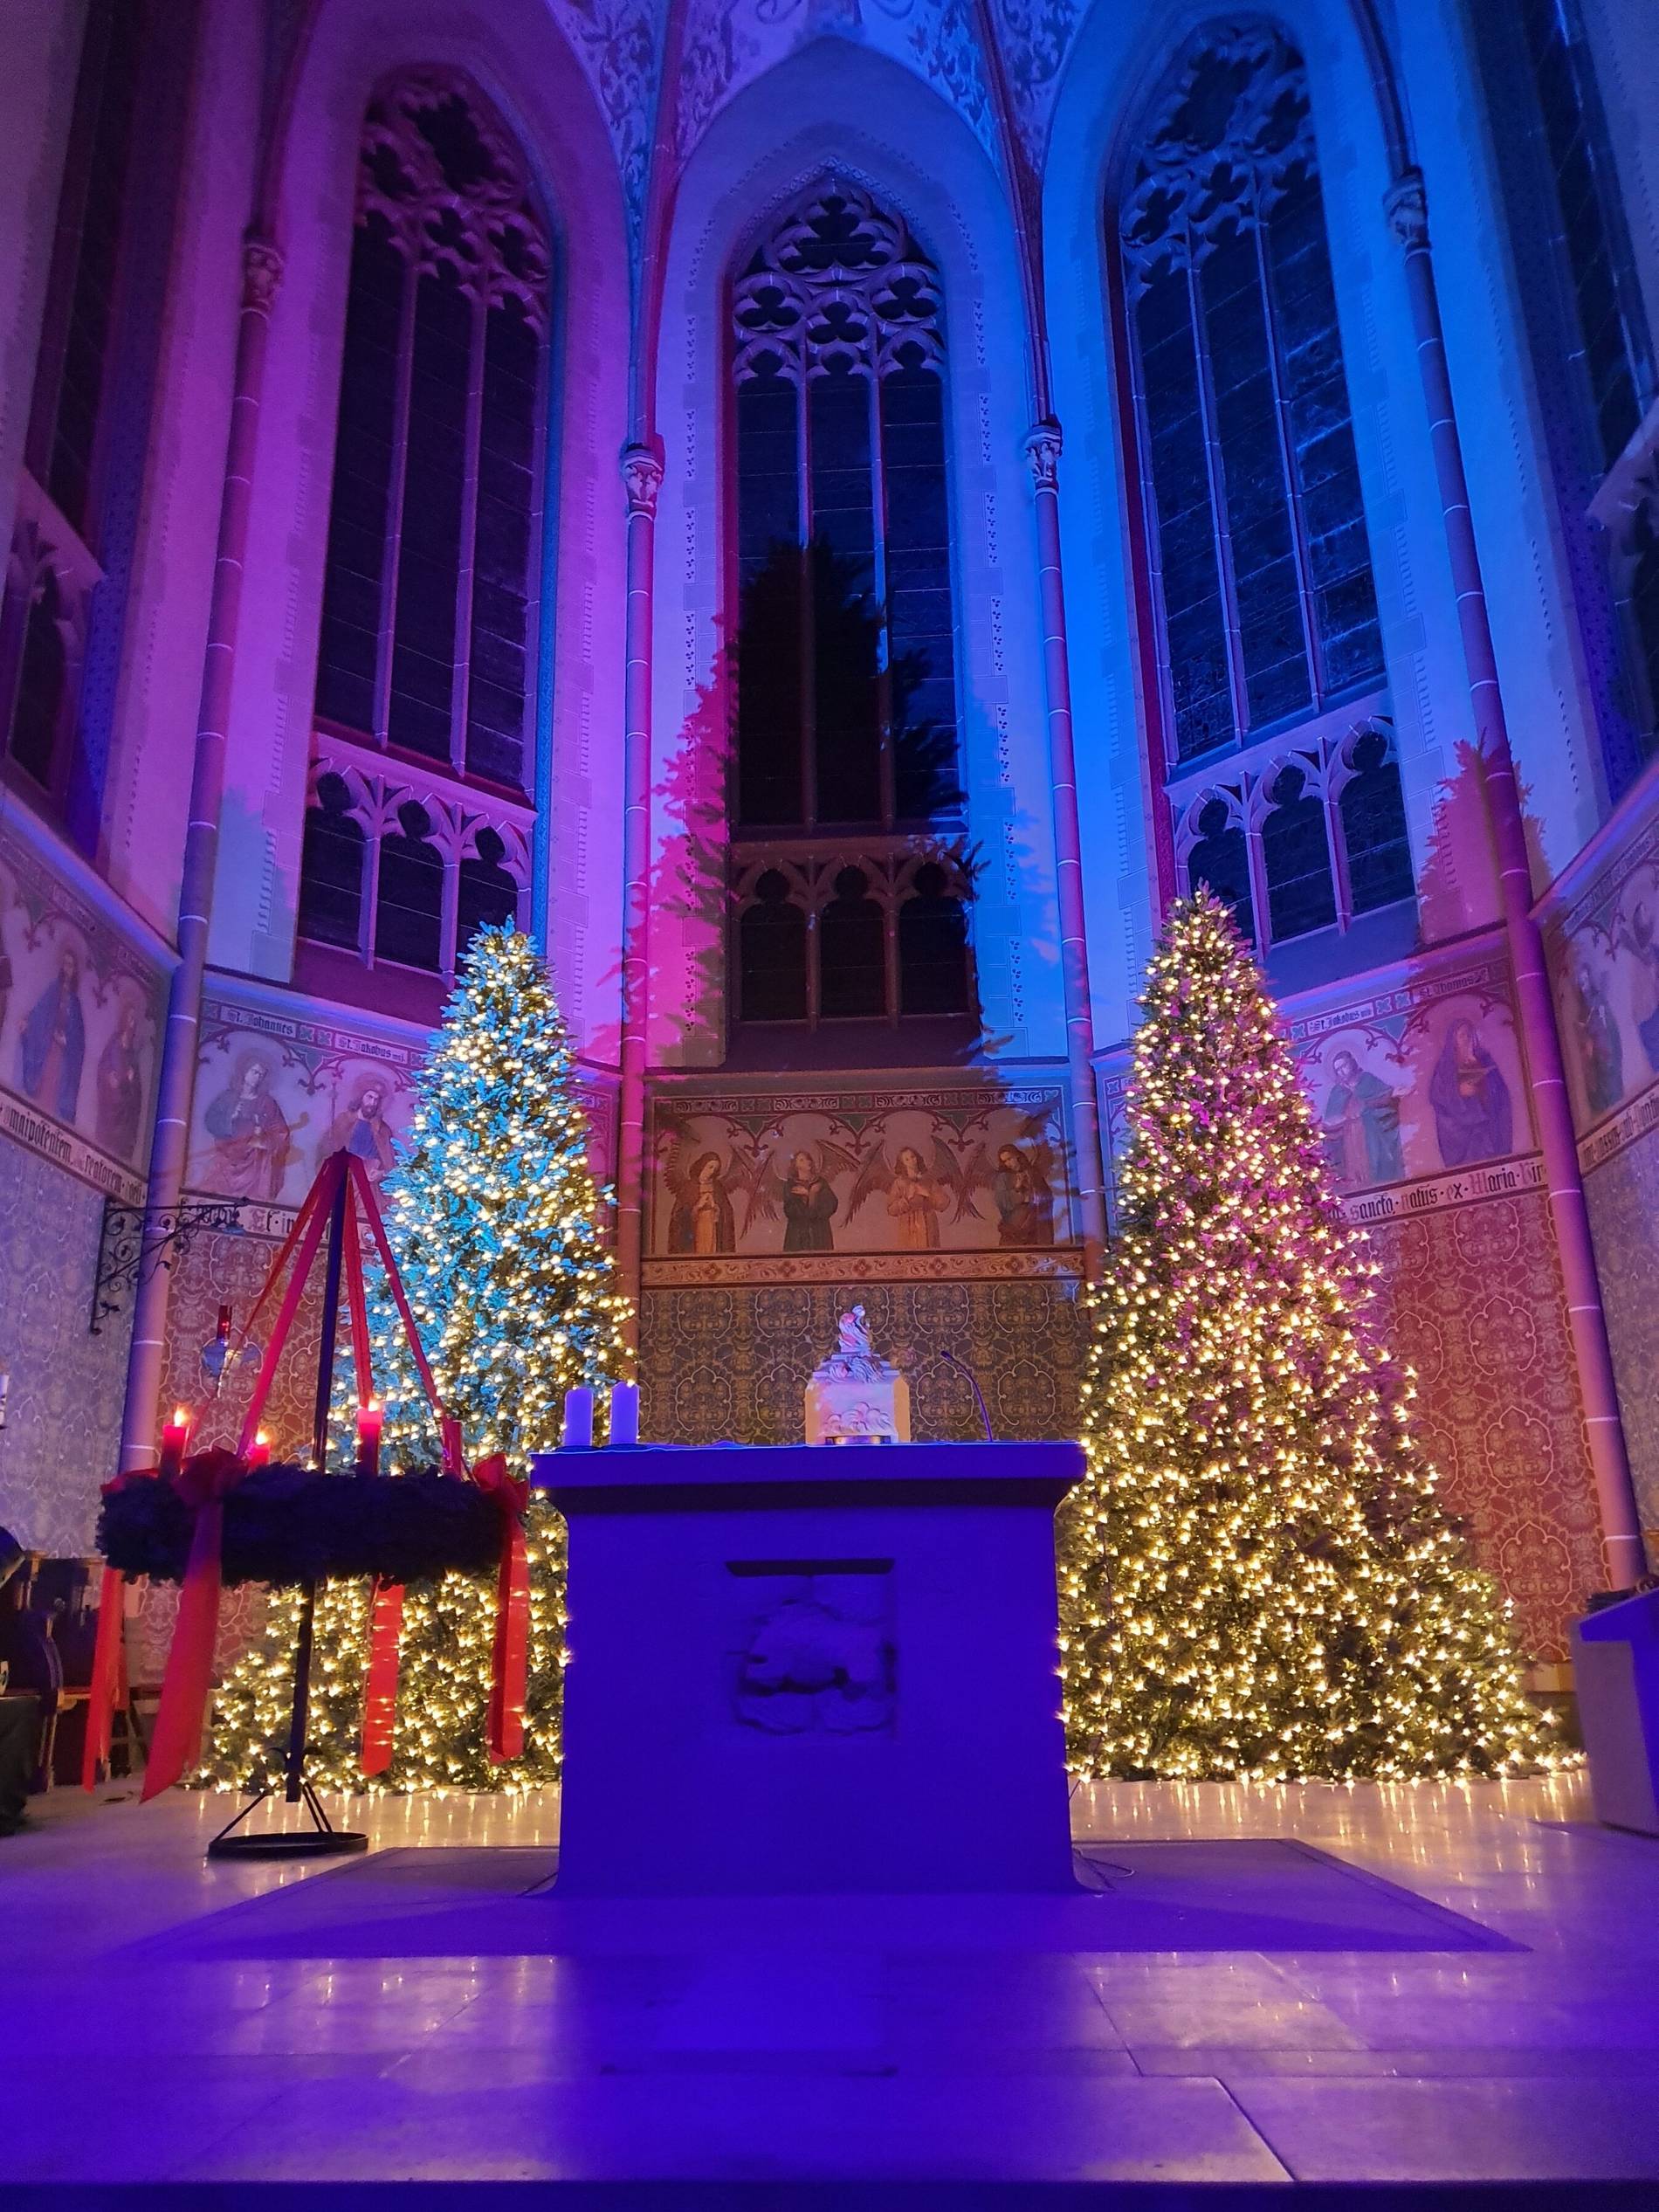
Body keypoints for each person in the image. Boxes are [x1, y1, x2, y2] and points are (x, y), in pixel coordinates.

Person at [203, 1053, 293, 1201]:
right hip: (227, 1155)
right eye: (254, 1072)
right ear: (245, 1071)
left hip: (255, 1161)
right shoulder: (227, 1097)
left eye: (260, 1074)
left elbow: (281, 1132)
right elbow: (210, 1120)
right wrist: (230, 1117)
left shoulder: (267, 1103)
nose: (257, 1077)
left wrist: (264, 1141)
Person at [1428, 1016, 1513, 1168]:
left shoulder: (1484, 1059)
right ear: (1453, 1040)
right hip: (1460, 1134)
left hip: (1485, 1126)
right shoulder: (1445, 1065)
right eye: (1462, 1035)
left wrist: (1484, 1086)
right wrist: (1458, 1093)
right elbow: (1436, 1095)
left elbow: (1500, 1092)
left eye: (1469, 1034)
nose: (1466, 1039)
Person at [18, 944, 86, 1124]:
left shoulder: (76, 1004)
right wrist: (28, 1023)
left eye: (70, 965)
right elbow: (40, 1013)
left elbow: (79, 1043)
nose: (67, 968)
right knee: (42, 1088)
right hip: (46, 1050)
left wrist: (67, 1041)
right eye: (65, 964)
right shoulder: (53, 990)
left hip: (61, 1058)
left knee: (54, 1093)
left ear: (75, 970)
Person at [1320, 1050, 1404, 1190]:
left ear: (1352, 1063)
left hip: (1372, 1135)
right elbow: (1331, 1119)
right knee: (1354, 1167)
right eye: (1338, 1070)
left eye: (1344, 1066)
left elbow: (1384, 1097)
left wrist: (1392, 1095)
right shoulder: (1337, 1091)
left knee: (1375, 1163)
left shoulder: (1368, 1080)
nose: (1342, 1072)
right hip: (1349, 1138)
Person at [94, 1001, 148, 1163]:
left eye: (134, 1020)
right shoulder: (114, 1046)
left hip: (126, 1117)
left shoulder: (131, 1054)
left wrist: (131, 1082)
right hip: (112, 1112)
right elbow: (104, 1072)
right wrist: (112, 1081)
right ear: (123, 1019)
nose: (132, 1023)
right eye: (130, 1018)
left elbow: (136, 1091)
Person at [323, 1076, 399, 1182]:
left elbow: (391, 1163)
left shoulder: (383, 1130)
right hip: (345, 1179)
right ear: (361, 1097)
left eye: (376, 1100)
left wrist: (381, 1173)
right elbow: (329, 1150)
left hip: (369, 1184)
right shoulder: (344, 1120)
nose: (372, 1103)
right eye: (370, 1097)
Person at [668, 1150, 735, 1255]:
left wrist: (717, 1210)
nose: (712, 1171)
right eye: (710, 1167)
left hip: (713, 1225)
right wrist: (697, 1207)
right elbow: (678, 1214)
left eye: (715, 1169)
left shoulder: (718, 1187)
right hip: (696, 1227)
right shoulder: (689, 1187)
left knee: (711, 1250)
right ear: (702, 1165)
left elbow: (727, 1211)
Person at [991, 1143, 1055, 1248]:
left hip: (1034, 1222)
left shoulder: (1032, 1173)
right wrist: (1017, 1187)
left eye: (1009, 1159)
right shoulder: (1004, 1178)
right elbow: (1002, 1202)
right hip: (1014, 1224)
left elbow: (1046, 1194)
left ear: (1017, 1156)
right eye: (1005, 1161)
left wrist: (1034, 1191)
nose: (1008, 1163)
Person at [885, 1145, 942, 1251]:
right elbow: (891, 1209)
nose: (911, 1161)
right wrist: (906, 1199)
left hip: (928, 1222)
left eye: (913, 1157)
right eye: (907, 1159)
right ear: (903, 1163)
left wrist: (928, 1195)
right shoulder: (899, 1183)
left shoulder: (929, 1181)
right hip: (908, 1224)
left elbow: (943, 1203)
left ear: (917, 1158)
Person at [781, 1148, 837, 1251]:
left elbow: (831, 1204)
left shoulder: (820, 1183)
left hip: (819, 1233)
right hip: (798, 1236)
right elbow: (790, 1211)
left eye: (808, 1159)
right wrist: (807, 1199)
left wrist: (810, 1194)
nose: (808, 1162)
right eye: (802, 1160)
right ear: (795, 1165)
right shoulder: (790, 1185)